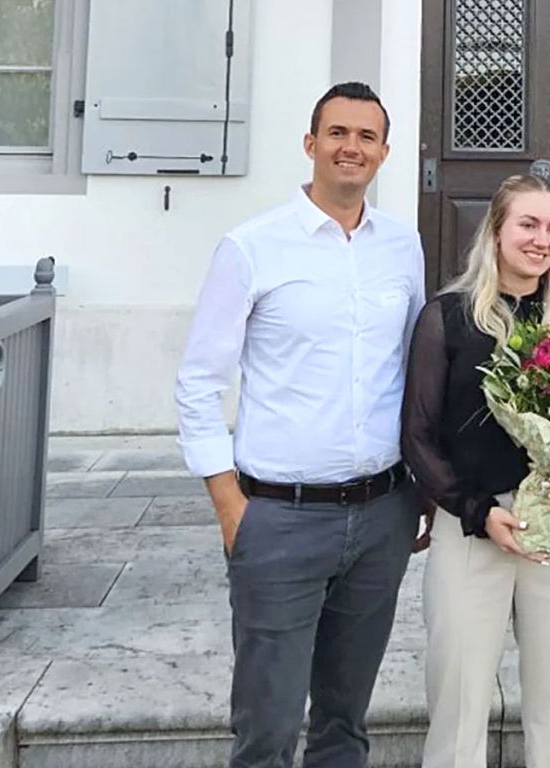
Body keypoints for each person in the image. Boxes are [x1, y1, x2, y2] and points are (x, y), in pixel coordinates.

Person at [174, 81, 424, 768]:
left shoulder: (403, 246)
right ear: (311, 144)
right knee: (268, 728)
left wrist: (422, 488)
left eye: (367, 136)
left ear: (384, 152)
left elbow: (414, 372)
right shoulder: (252, 247)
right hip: (279, 519)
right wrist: (230, 505)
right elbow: (198, 383)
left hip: (381, 515)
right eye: (337, 133)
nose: (352, 147)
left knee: (345, 723)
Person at [401, 173, 550, 768]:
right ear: (496, 231)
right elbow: (418, 434)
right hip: (473, 528)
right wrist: (476, 510)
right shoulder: (449, 318)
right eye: (529, 224)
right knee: (459, 701)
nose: (542, 240)